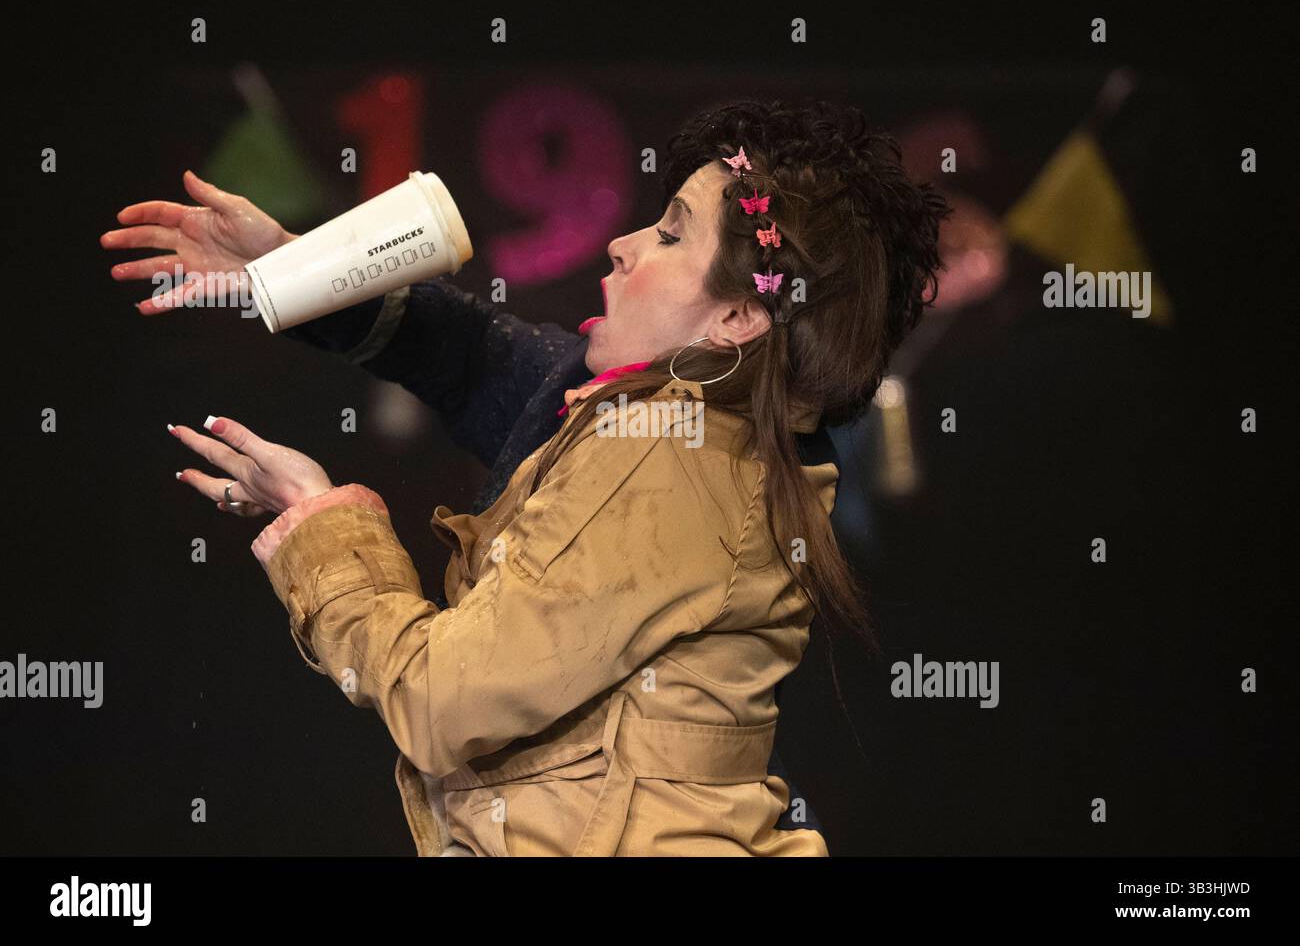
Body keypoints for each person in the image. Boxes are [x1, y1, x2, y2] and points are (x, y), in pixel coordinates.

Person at [102, 97, 950, 855]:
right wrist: (299, 268)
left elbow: (441, 704)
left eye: (669, 233)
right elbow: (494, 369)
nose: (620, 245)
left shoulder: (669, 457)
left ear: (737, 316)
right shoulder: (706, 431)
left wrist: (329, 521)